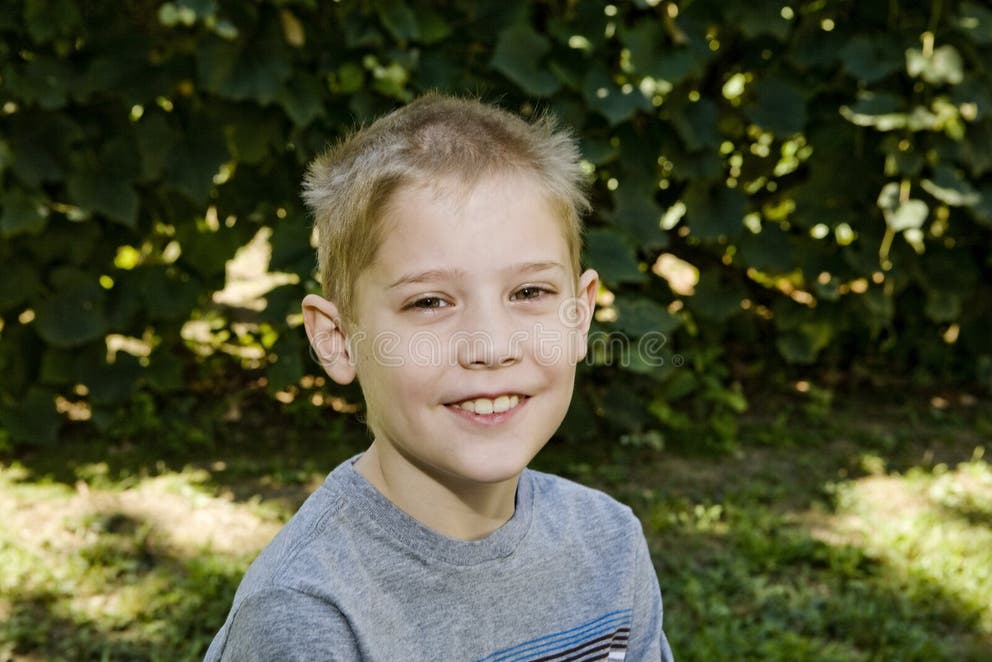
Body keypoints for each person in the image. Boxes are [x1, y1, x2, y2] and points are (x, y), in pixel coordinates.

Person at [204, 93, 674, 661]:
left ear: (580, 315)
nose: (491, 347)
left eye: (529, 293)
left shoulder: (609, 544)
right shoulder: (307, 611)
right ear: (337, 338)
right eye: (429, 302)